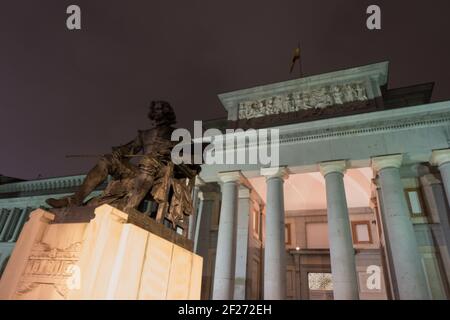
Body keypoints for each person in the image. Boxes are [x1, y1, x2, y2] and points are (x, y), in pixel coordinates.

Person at [46, 100, 177, 209]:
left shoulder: (177, 134)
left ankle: (129, 209)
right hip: (139, 171)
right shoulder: (145, 134)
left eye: (159, 109)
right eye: (155, 109)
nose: (156, 111)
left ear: (166, 112)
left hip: (159, 174)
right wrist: (120, 152)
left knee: (148, 161)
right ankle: (75, 200)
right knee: (107, 160)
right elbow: (129, 149)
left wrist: (170, 154)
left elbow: (191, 160)